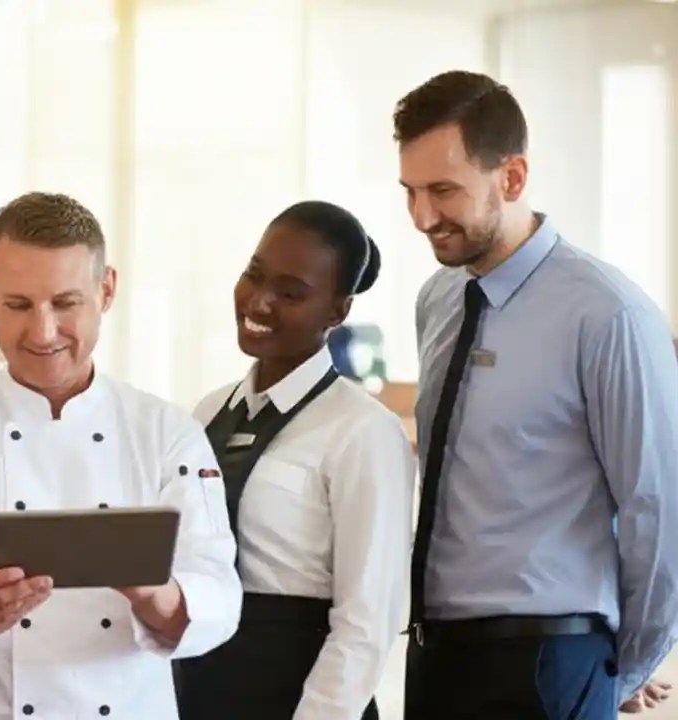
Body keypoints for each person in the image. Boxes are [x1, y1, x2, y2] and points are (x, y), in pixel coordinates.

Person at [0, 192, 242, 719]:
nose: (42, 332)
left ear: (106, 291)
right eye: (18, 305)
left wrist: (155, 594)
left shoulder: (168, 432)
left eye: (65, 303)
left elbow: (219, 593)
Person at [396, 70, 678, 719]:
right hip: (436, 656)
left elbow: (658, 514)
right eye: (409, 191)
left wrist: (616, 671)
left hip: (551, 662)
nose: (421, 217)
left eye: (443, 191)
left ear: (513, 178)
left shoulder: (608, 314)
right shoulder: (438, 299)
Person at [177, 201, 414, 720]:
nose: (259, 302)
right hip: (201, 692)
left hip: (301, 697)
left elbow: (366, 620)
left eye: (290, 293)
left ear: (338, 311)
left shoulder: (364, 431)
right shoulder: (208, 412)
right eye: (253, 276)